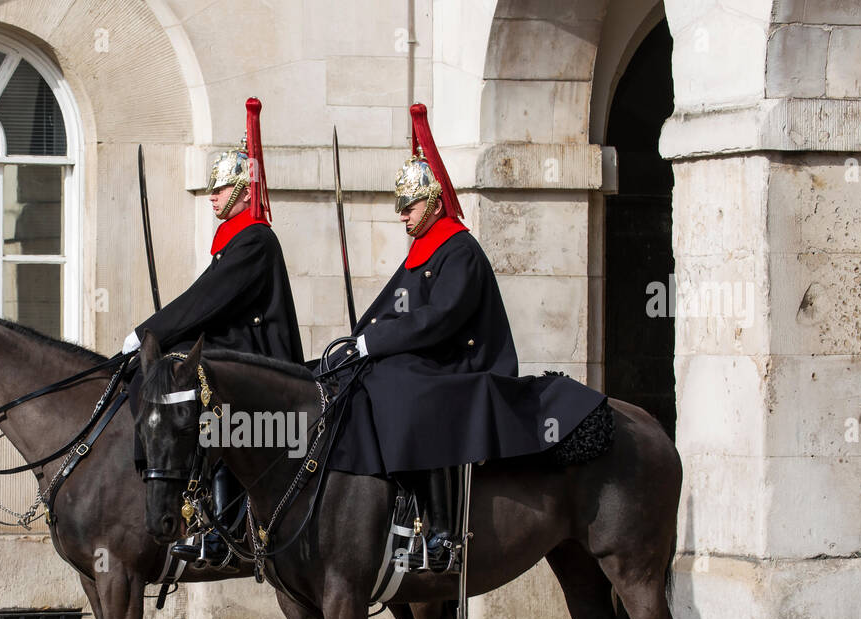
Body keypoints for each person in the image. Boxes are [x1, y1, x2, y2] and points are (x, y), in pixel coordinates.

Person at [330, 103, 608, 571]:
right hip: (433, 357)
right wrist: (358, 342)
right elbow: (391, 307)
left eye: (409, 205)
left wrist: (375, 345)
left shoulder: (459, 248)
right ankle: (399, 503)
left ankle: (440, 530)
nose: (402, 215)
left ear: (434, 202)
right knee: (373, 379)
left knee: (409, 391)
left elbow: (441, 317)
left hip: (466, 363)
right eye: (400, 207)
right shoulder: (424, 246)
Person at [125, 98, 305, 566]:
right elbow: (203, 301)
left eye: (220, 188)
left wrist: (149, 333)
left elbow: (207, 300)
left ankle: (218, 525)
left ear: (245, 192)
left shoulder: (255, 240)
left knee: (209, 405)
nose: (212, 196)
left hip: (255, 355)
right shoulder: (236, 240)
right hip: (234, 348)